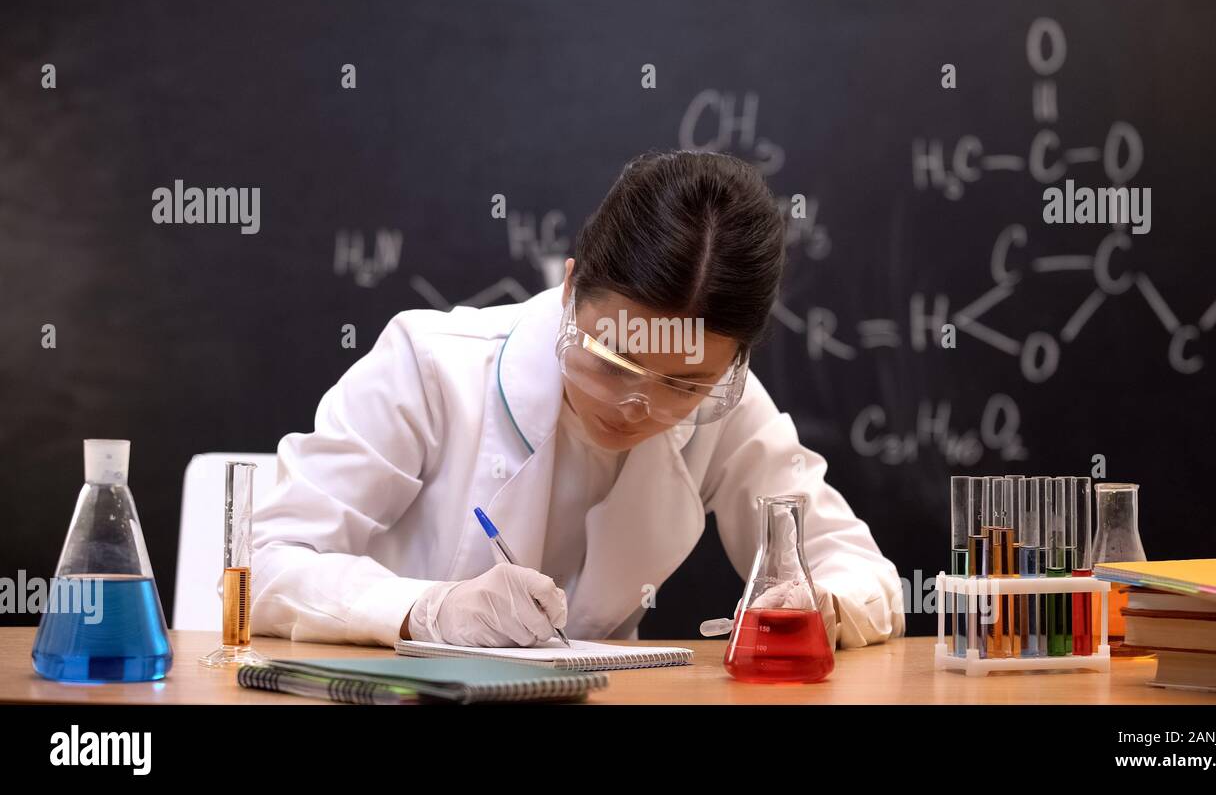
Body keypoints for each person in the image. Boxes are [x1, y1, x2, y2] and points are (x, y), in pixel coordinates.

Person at [250, 150, 906, 650]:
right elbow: (263, 563)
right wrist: (427, 609)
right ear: (570, 288)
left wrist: (821, 603)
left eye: (682, 384)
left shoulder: (724, 405)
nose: (637, 407)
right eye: (617, 361)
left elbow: (861, 570)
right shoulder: (430, 365)